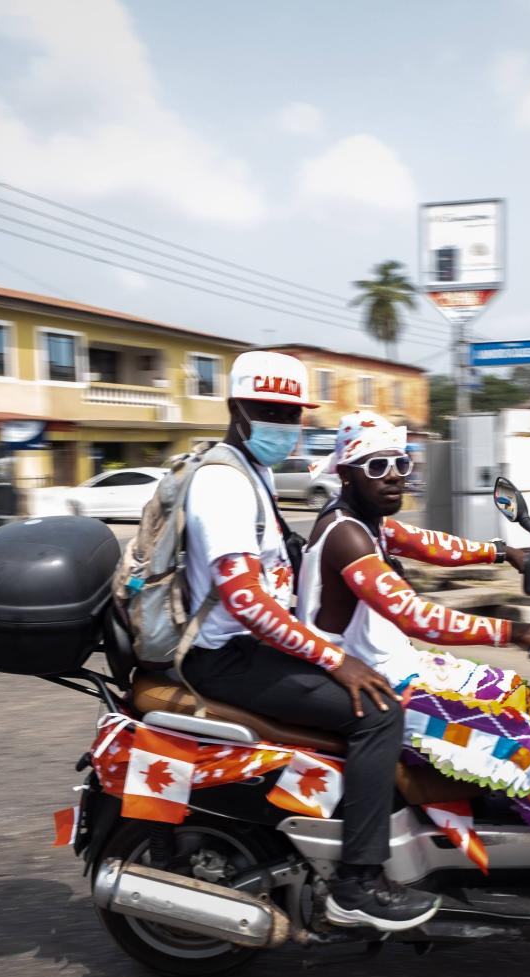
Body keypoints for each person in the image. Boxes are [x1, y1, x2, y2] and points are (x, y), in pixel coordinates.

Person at [297, 413, 530, 897]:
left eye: (400, 463)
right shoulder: (346, 535)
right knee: (518, 745)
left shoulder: (370, 524)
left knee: (515, 692)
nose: (392, 475)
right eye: (375, 466)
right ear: (346, 475)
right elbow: (415, 617)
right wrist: (518, 632)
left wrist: (502, 552)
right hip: (379, 691)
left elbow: (429, 544)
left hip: (400, 668)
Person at [177, 351, 440, 932]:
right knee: (379, 713)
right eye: (269, 411)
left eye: (291, 413)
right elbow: (245, 599)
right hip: (226, 657)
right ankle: (358, 883)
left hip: (252, 645)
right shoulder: (222, 483)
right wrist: (335, 659)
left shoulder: (252, 471)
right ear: (237, 410)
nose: (283, 424)